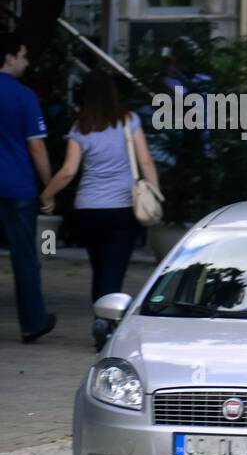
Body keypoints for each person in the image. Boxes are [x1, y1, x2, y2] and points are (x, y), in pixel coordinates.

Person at [40, 72, 159, 340]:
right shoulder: (130, 121)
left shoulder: (80, 127)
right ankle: (104, 325)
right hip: (122, 208)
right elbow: (146, 161)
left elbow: (69, 171)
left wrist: (47, 195)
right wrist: (155, 194)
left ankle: (101, 321)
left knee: (100, 268)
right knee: (113, 270)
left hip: (89, 209)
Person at [0, 32, 57, 343]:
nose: (26, 61)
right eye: (23, 55)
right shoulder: (24, 96)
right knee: (24, 258)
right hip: (17, 187)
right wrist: (49, 187)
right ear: (9, 57)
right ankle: (33, 322)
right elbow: (36, 147)